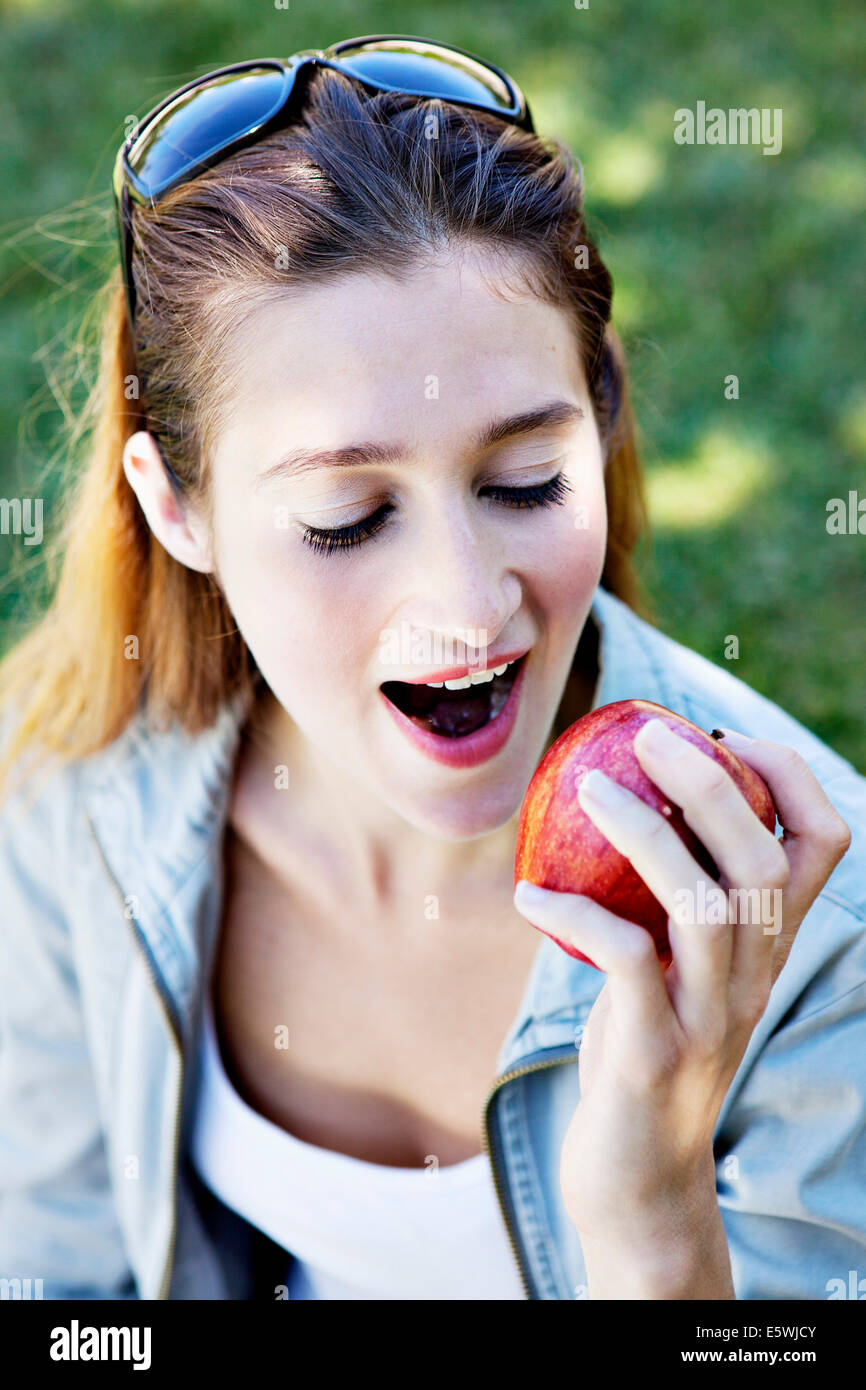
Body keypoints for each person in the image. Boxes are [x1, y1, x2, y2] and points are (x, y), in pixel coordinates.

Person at [0, 35, 863, 1303]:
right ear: (177, 509)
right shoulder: (80, 809)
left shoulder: (804, 921)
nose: (468, 603)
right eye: (346, 515)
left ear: (602, 412)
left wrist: (653, 1224)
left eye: (523, 482)